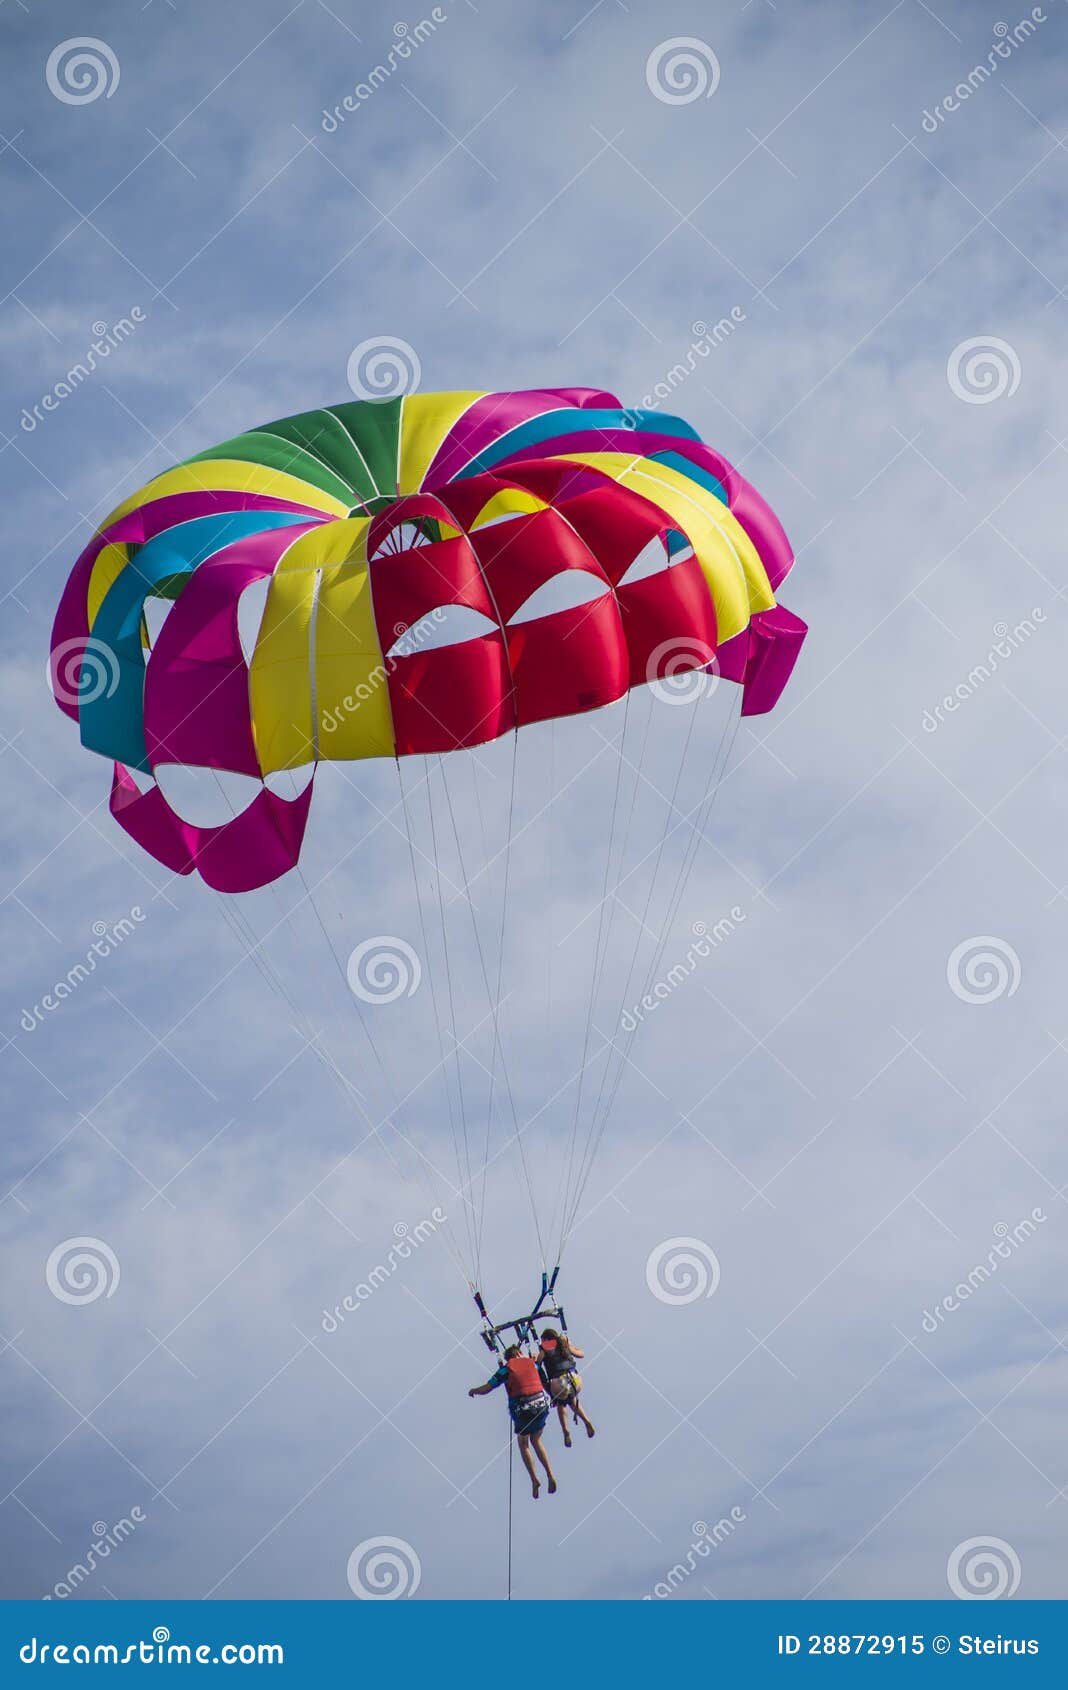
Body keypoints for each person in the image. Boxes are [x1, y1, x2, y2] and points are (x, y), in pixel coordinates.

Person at [469, 1344, 558, 1499]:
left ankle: (534, 1479)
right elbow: (542, 1372)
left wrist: (474, 1391)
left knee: (523, 1444)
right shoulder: (533, 1363)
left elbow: (487, 1388)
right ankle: (550, 1474)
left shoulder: (505, 1369)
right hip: (541, 1405)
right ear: (519, 1353)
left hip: (523, 1409)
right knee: (536, 1439)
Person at [538, 1328, 595, 1447]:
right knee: (571, 1400)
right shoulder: (564, 1342)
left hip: (558, 1383)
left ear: (545, 1339)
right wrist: (572, 1347)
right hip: (575, 1380)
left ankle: (565, 1430)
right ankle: (586, 1421)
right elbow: (581, 1354)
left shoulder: (543, 1348)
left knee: (560, 1403)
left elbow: (536, 1365)